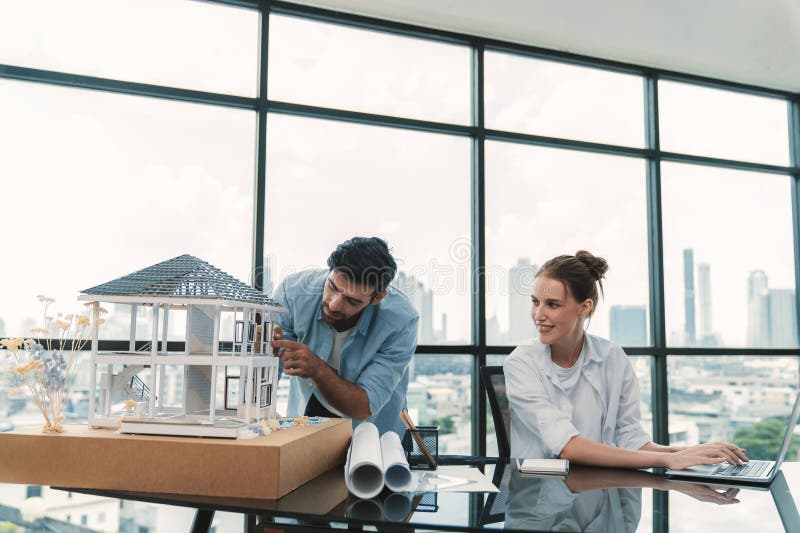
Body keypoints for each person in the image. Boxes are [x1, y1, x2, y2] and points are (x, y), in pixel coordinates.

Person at [504, 250, 749, 470]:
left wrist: (694, 453)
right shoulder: (522, 363)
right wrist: (668, 459)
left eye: (552, 305)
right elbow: (569, 447)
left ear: (584, 308)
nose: (539, 314)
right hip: (538, 499)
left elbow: (631, 439)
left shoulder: (612, 357)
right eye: (535, 302)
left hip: (598, 490)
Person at [271, 237, 419, 435]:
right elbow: (272, 361)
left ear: (377, 298)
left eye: (351, 300)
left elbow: (363, 407)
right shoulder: (293, 293)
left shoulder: (401, 321)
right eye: (332, 287)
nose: (333, 305)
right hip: (305, 423)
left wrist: (317, 368)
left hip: (373, 435)